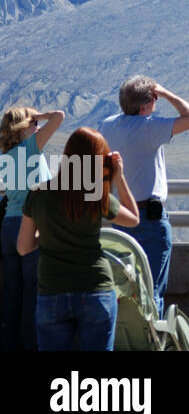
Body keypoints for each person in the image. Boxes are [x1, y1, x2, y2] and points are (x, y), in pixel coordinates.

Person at [17, 128, 140, 350]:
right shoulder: (96, 195)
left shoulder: (38, 193)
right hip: (95, 288)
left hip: (52, 290)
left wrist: (46, 233)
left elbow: (24, 247)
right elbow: (133, 219)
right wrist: (119, 179)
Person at [98, 76, 189, 313]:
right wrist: (166, 93)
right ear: (145, 105)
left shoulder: (107, 125)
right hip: (152, 218)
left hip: (121, 215)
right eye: (154, 100)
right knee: (152, 289)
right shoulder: (149, 127)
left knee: (125, 288)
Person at [1, 106, 62, 351]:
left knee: (11, 295)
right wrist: (38, 116)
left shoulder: (6, 153)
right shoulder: (30, 148)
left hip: (7, 226)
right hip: (30, 224)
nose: (37, 127)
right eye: (33, 123)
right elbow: (59, 117)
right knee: (32, 296)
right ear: (25, 127)